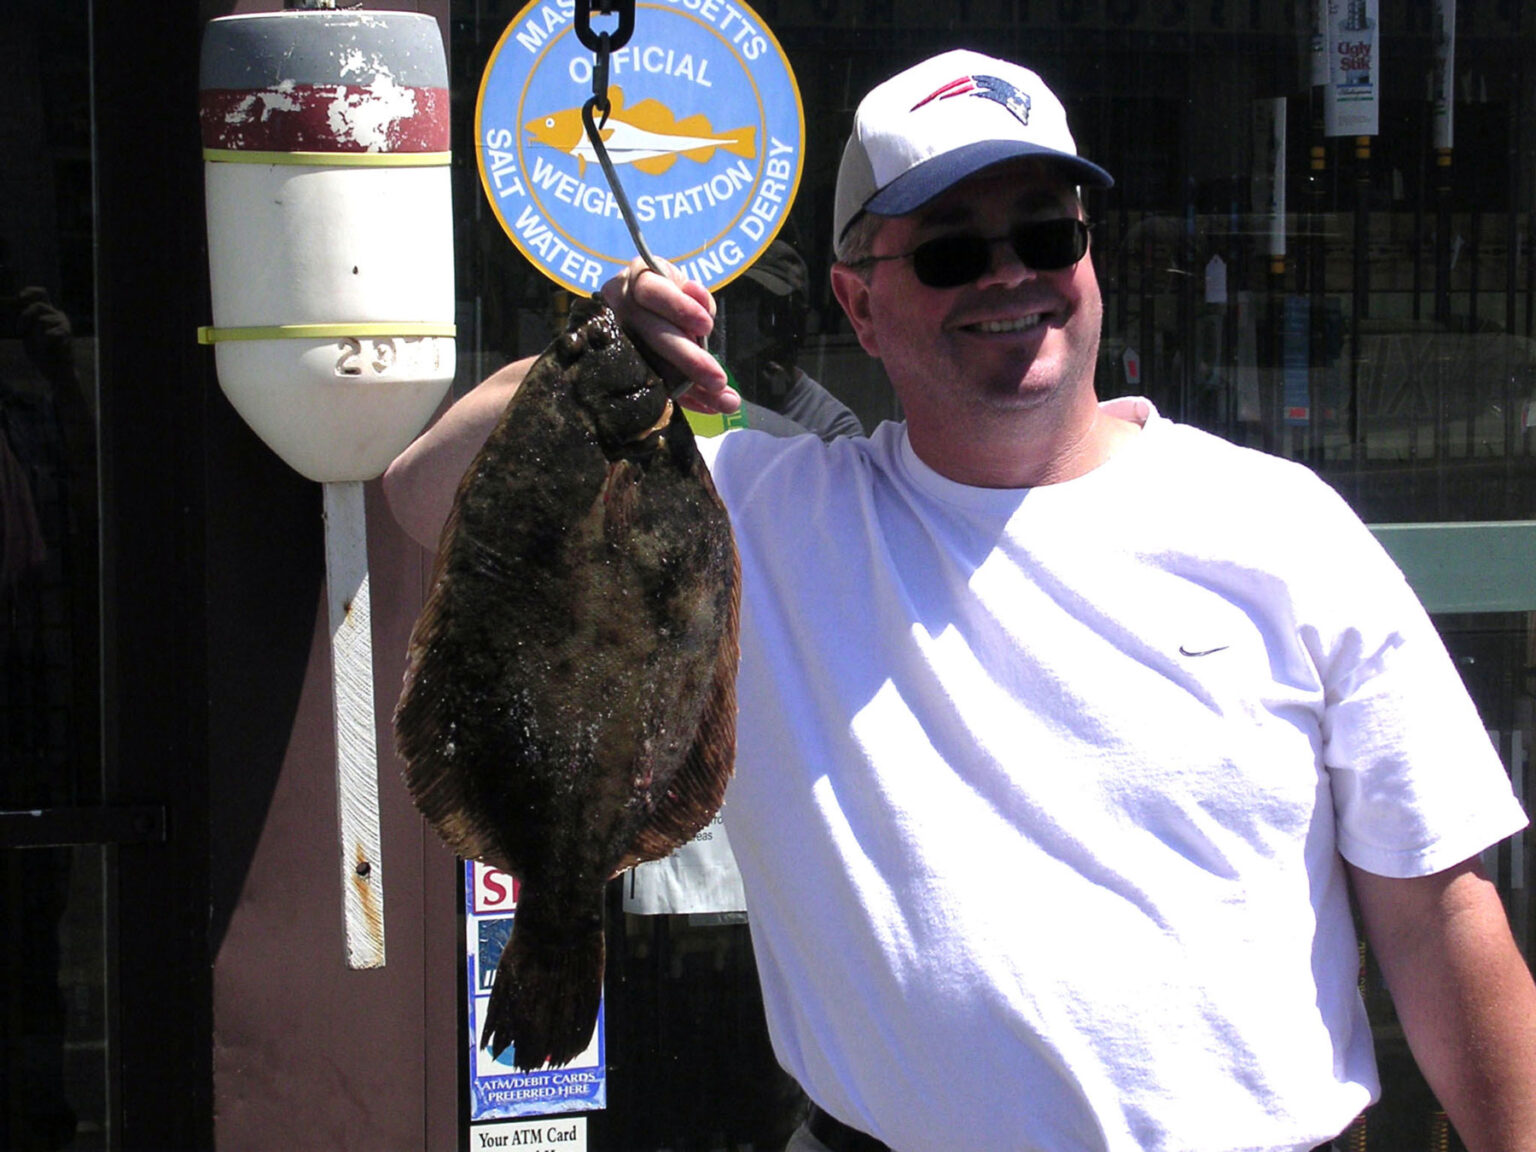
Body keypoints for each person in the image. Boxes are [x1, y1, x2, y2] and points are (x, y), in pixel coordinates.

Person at [384, 49, 1536, 1152]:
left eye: (1047, 234)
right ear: (859, 304)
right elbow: (424, 490)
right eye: (948, 252)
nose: (1008, 274)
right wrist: (594, 350)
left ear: (1091, 262)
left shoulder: (1284, 529)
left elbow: (1444, 917)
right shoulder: (774, 517)